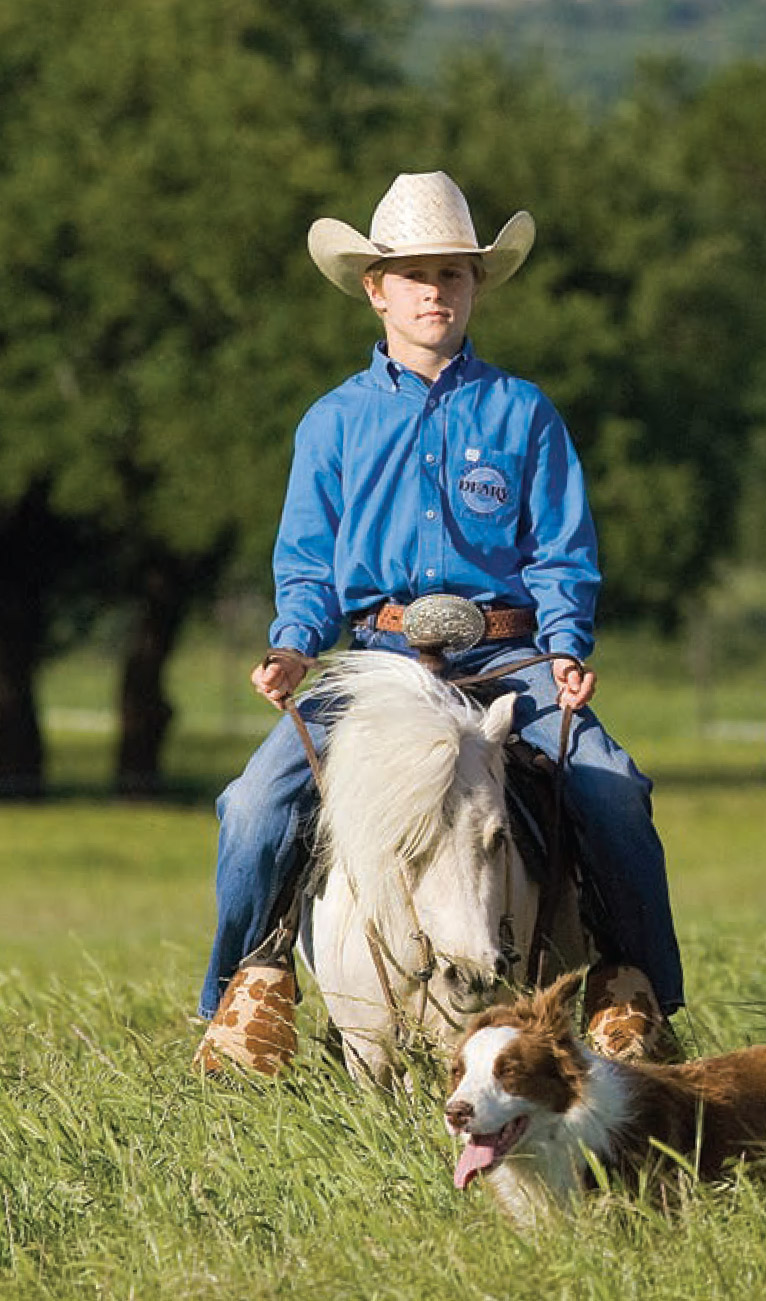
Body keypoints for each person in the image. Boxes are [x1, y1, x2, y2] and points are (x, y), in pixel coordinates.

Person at [197, 171, 682, 1060]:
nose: (434, 291)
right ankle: (246, 990)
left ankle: (634, 990)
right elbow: (307, 565)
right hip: (377, 657)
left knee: (613, 794)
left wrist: (567, 644)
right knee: (255, 803)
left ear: (476, 286)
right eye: (413, 274)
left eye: (452, 274)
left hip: (510, 656)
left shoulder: (524, 411)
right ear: (375, 289)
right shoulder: (332, 422)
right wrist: (295, 646)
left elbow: (562, 552)